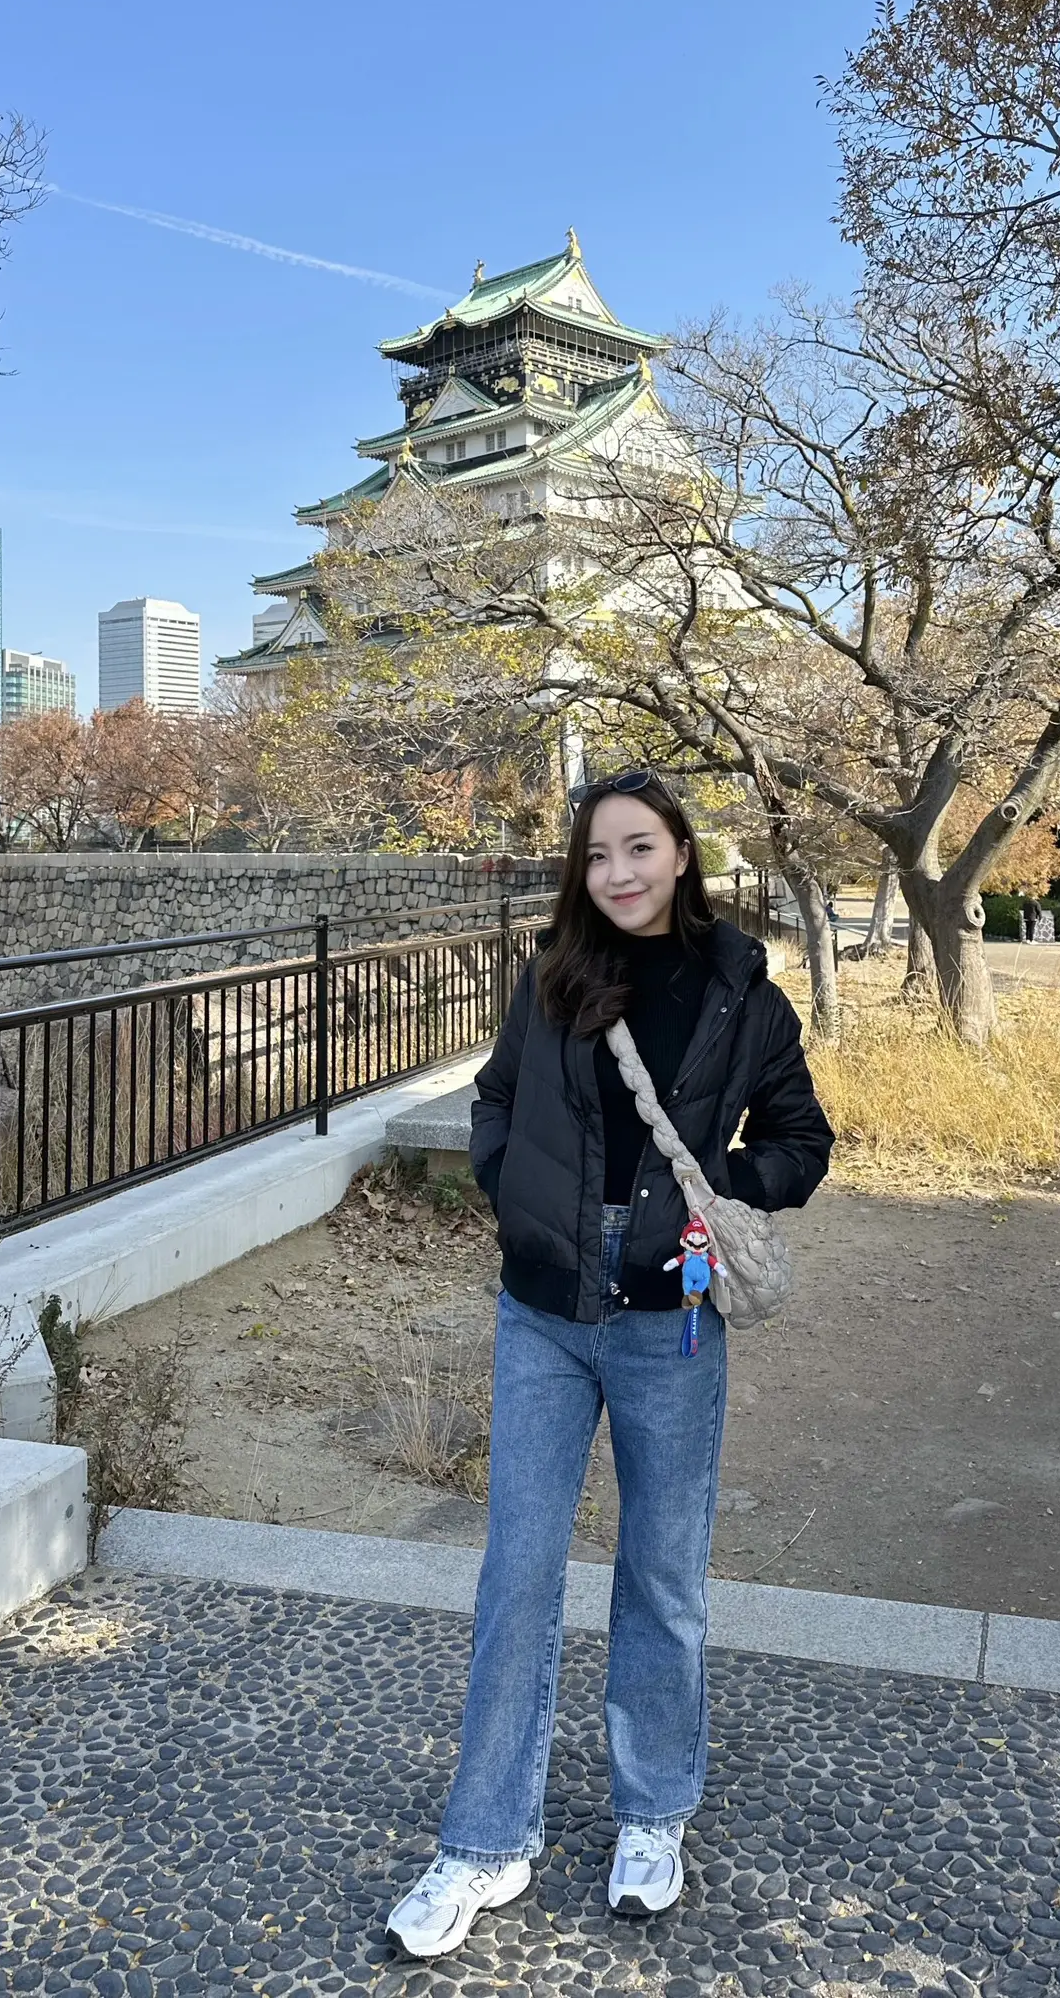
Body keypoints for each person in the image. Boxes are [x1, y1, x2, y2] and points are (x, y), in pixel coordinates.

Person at [387, 770, 834, 1960]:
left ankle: (651, 1812)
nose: (617, 872)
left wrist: (714, 1187)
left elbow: (802, 1139)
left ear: (682, 851)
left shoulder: (741, 991)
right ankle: (486, 1839)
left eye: (638, 847)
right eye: (595, 854)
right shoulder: (552, 974)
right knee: (517, 1573)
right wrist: (511, 1189)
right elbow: (495, 1097)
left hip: (666, 1318)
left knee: (662, 1575)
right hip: (540, 1308)